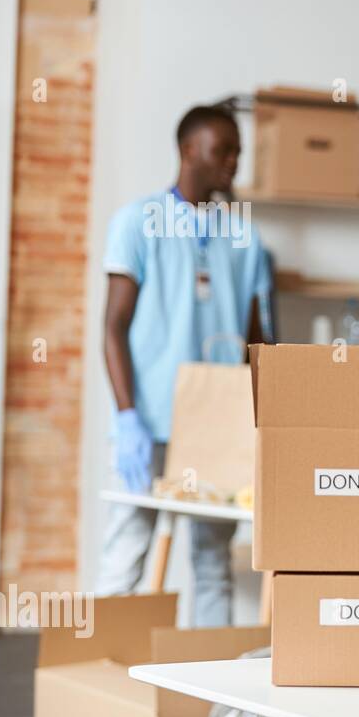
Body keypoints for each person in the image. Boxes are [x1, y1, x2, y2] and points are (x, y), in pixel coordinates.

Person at [97, 105, 270, 627]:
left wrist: (261, 423)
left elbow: (259, 341)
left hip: (217, 428)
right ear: (188, 149)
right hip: (147, 424)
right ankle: (102, 687)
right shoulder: (136, 222)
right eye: (224, 150)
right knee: (124, 555)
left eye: (239, 151)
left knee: (211, 562)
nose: (234, 162)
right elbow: (113, 327)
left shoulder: (246, 239)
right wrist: (128, 418)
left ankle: (206, 700)